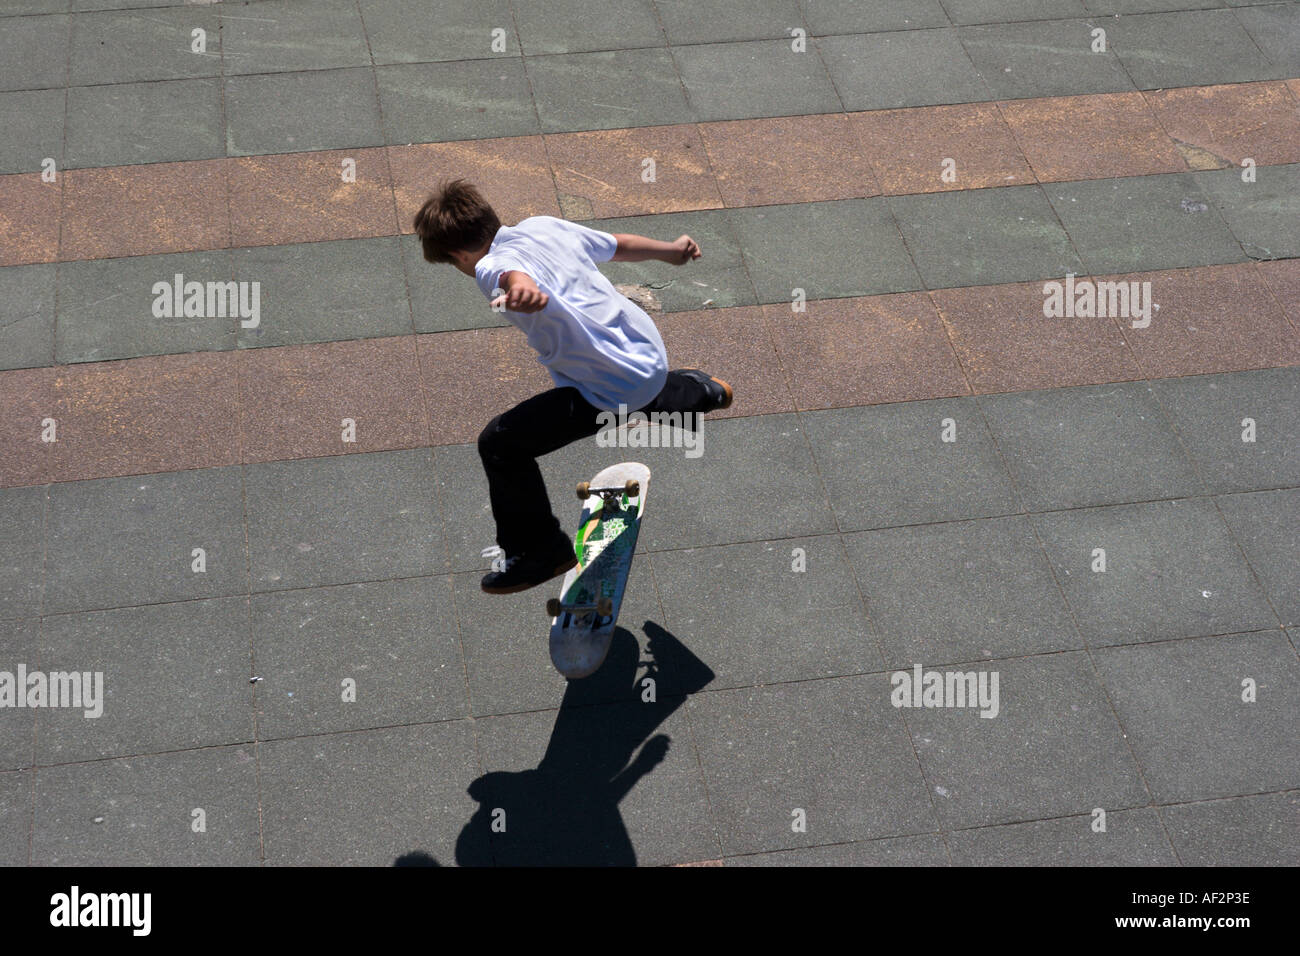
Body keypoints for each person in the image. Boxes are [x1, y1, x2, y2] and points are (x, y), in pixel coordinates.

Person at [413, 179, 734, 593]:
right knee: (629, 388)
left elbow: (507, 272)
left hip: (613, 383)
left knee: (499, 443)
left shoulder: (488, 268)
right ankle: (702, 392)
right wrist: (669, 251)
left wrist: (520, 287)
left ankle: (540, 550)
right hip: (645, 349)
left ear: (459, 255)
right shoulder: (544, 226)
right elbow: (616, 244)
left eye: (457, 264)